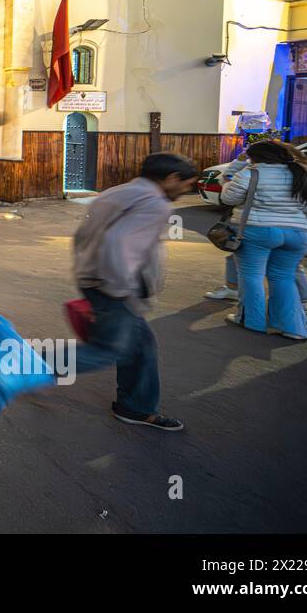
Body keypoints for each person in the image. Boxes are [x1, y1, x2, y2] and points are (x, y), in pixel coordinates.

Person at [70, 152, 196, 432]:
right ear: (172, 178)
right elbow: (119, 243)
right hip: (117, 288)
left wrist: (87, 275)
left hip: (96, 279)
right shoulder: (154, 204)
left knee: (141, 347)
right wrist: (119, 290)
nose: (187, 190)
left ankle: (135, 407)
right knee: (106, 351)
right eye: (187, 184)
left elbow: (82, 235)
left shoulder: (116, 193)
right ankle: (21, 364)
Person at [218, 141, 307, 340]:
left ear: (254, 157)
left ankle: (251, 320)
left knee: (251, 276)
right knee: (284, 277)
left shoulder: (251, 173)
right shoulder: (304, 175)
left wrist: (233, 173)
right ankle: (294, 328)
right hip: (297, 232)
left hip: (258, 230)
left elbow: (229, 199)